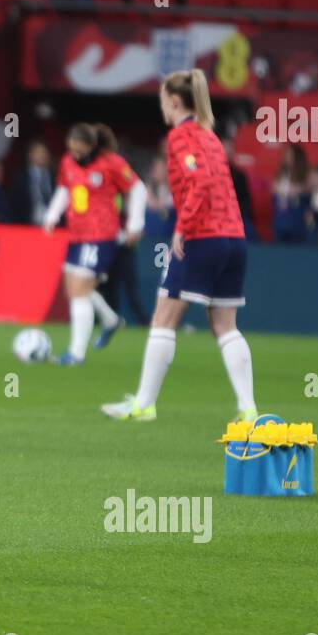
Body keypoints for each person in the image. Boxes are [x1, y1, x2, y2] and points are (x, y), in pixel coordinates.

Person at [102, 69, 256, 423]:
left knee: (163, 318)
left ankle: (143, 404)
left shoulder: (181, 137)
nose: (162, 109)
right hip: (234, 239)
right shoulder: (211, 137)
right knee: (225, 324)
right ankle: (248, 409)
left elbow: (198, 181)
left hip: (202, 237)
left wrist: (182, 228)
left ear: (173, 101)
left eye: (162, 101)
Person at [44, 122, 145, 365]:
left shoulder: (111, 163)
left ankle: (76, 354)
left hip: (101, 235)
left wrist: (135, 224)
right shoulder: (68, 162)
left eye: (79, 151)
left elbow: (138, 188)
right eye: (72, 150)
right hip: (76, 234)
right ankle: (110, 320)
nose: (75, 155)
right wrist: (52, 214)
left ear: (91, 147)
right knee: (75, 289)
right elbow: (64, 188)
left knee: (79, 290)